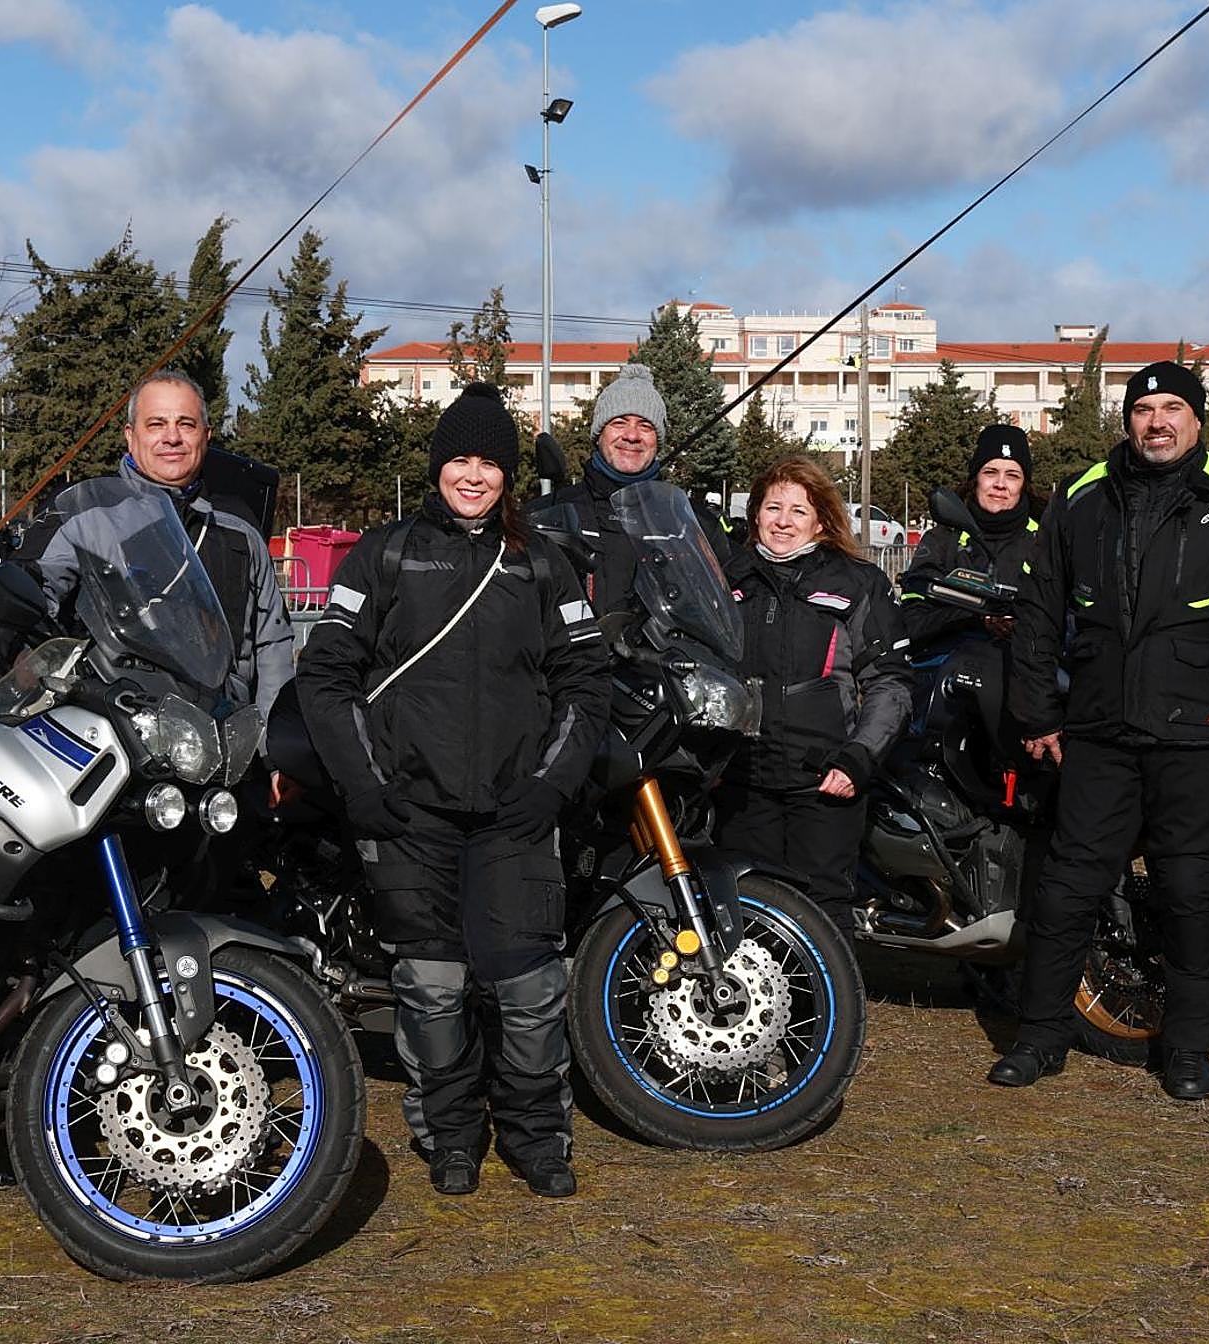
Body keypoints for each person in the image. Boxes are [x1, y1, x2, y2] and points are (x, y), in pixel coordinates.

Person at [295, 382, 609, 1199]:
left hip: (515, 814)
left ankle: (539, 1138)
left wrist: (550, 786)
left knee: (530, 989)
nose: (474, 476)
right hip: (411, 814)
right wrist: (363, 786)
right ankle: (452, 1135)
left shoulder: (542, 562)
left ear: (509, 475)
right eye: (460, 460)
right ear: (438, 466)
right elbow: (327, 673)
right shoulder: (386, 553)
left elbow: (587, 682)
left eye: (490, 463)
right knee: (430, 990)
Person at [993, 361, 1209, 1100]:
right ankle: (1040, 1037)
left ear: (1197, 418)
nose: (1159, 422)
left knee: (1187, 889)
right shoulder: (1081, 496)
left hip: (1199, 733)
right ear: (1128, 420)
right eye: (1145, 410)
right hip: (1099, 731)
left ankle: (1188, 1049)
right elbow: (1039, 611)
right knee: (1066, 887)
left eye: (1174, 408)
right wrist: (1037, 711)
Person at [29, 369, 294, 736]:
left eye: (186, 424)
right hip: (117, 734)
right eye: (156, 424)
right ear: (130, 436)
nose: (172, 437)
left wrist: (275, 749)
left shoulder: (240, 530)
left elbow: (271, 646)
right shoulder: (85, 520)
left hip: (222, 739)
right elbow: (33, 605)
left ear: (206, 435)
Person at [715, 453, 912, 938]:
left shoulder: (856, 581)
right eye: (772, 508)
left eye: (798, 511)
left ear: (821, 520)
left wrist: (858, 759)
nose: (783, 522)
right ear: (754, 514)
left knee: (820, 915)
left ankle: (832, 1013)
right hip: (743, 780)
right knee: (746, 907)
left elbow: (891, 683)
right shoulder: (727, 579)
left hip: (823, 781)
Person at [527, 363, 734, 618]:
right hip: (575, 656)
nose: (632, 435)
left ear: (657, 439)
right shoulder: (550, 514)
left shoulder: (694, 525)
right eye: (619, 422)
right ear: (599, 433)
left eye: (645, 426)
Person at [898, 424, 1046, 654]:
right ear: (975, 478)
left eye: (1012, 475)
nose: (1000, 484)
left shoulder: (1044, 541)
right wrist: (975, 616)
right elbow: (911, 623)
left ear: (1024, 484)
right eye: (990, 472)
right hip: (947, 668)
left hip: (1025, 670)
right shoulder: (942, 540)